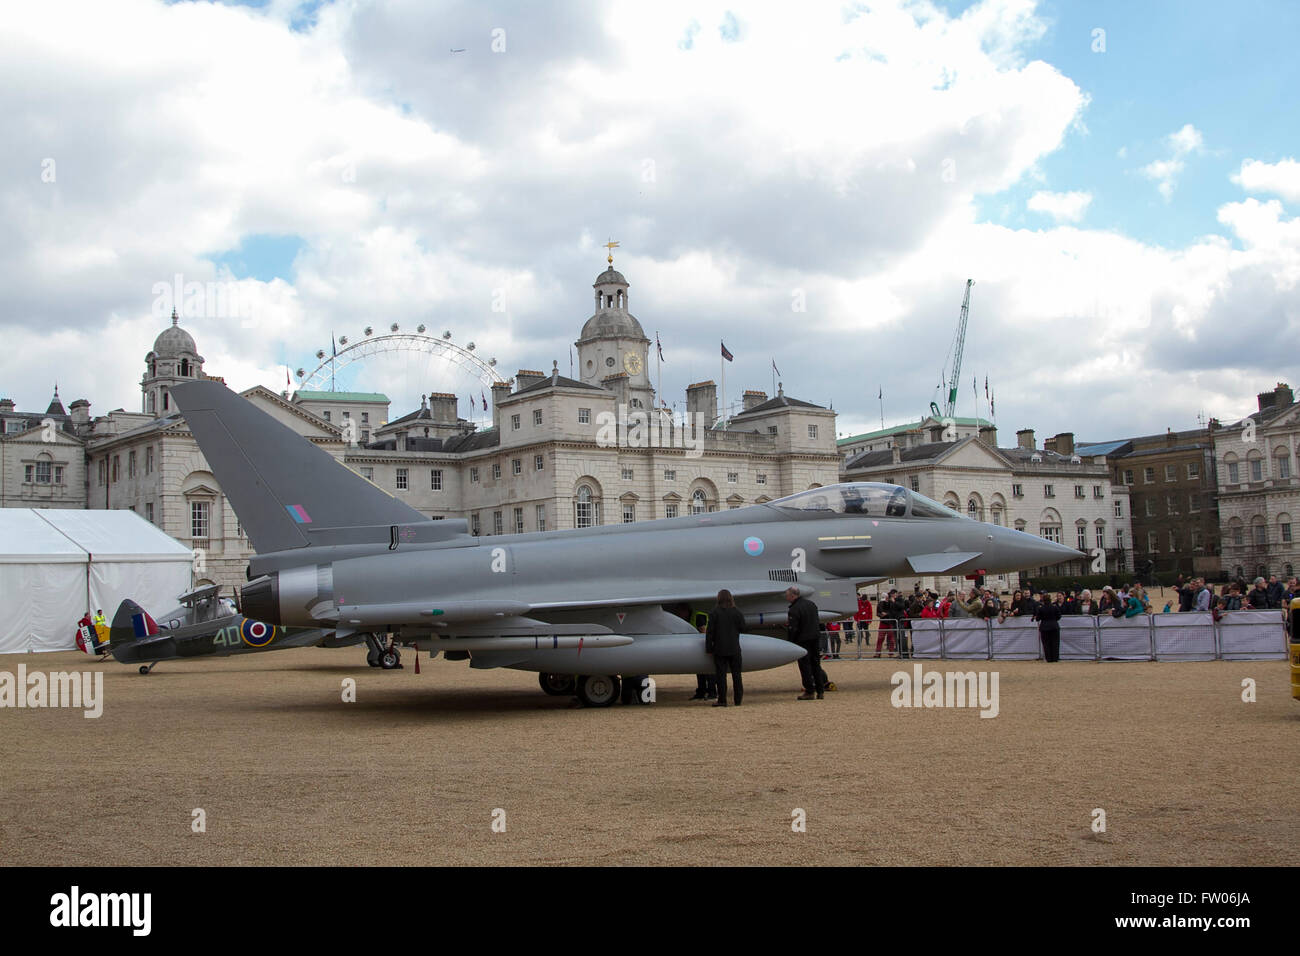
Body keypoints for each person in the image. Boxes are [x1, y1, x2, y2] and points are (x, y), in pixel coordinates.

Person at [705, 589, 745, 707]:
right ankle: (738, 700)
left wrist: (709, 648)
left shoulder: (714, 612)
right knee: (737, 675)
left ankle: (722, 700)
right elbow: (743, 628)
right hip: (734, 648)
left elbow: (710, 632)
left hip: (720, 649)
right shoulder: (737, 612)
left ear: (719, 598)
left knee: (721, 676)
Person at [786, 586, 827, 699]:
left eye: (787, 595)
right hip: (814, 638)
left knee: (805, 666)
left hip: (803, 640)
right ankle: (820, 690)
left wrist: (790, 642)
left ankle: (809, 691)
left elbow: (793, 628)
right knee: (816, 664)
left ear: (793, 595)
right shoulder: (811, 604)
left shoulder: (794, 609)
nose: (786, 597)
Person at [1034, 591, 1063, 662]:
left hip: (1044, 627)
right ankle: (1055, 658)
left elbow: (1038, 618)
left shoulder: (1041, 608)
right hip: (1054, 626)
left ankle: (1048, 658)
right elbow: (1059, 616)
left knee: (1046, 644)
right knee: (1055, 643)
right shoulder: (1054, 607)